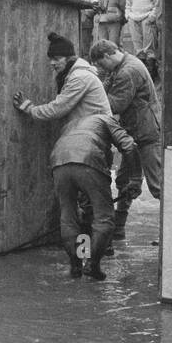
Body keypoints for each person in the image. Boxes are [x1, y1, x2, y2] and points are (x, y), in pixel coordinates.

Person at [13, 32, 114, 263]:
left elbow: (58, 108)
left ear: (69, 57)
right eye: (51, 58)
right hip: (91, 149)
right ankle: (92, 257)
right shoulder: (76, 74)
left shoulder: (79, 78)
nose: (52, 63)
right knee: (92, 207)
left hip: (90, 149)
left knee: (83, 210)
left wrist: (29, 108)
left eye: (56, 58)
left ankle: (86, 259)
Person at [47, 112, 137, 280]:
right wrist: (136, 180)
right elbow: (130, 146)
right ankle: (92, 265)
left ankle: (75, 267)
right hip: (89, 160)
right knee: (104, 217)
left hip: (58, 162)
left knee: (68, 216)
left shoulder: (72, 124)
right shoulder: (108, 119)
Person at [90, 39, 163, 241]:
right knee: (125, 182)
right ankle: (118, 228)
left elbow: (115, 104)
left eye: (101, 64)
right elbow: (106, 87)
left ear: (106, 56)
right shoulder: (121, 65)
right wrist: (97, 82)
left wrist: (89, 98)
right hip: (135, 133)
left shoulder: (127, 71)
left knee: (158, 185)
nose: (102, 69)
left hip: (146, 133)